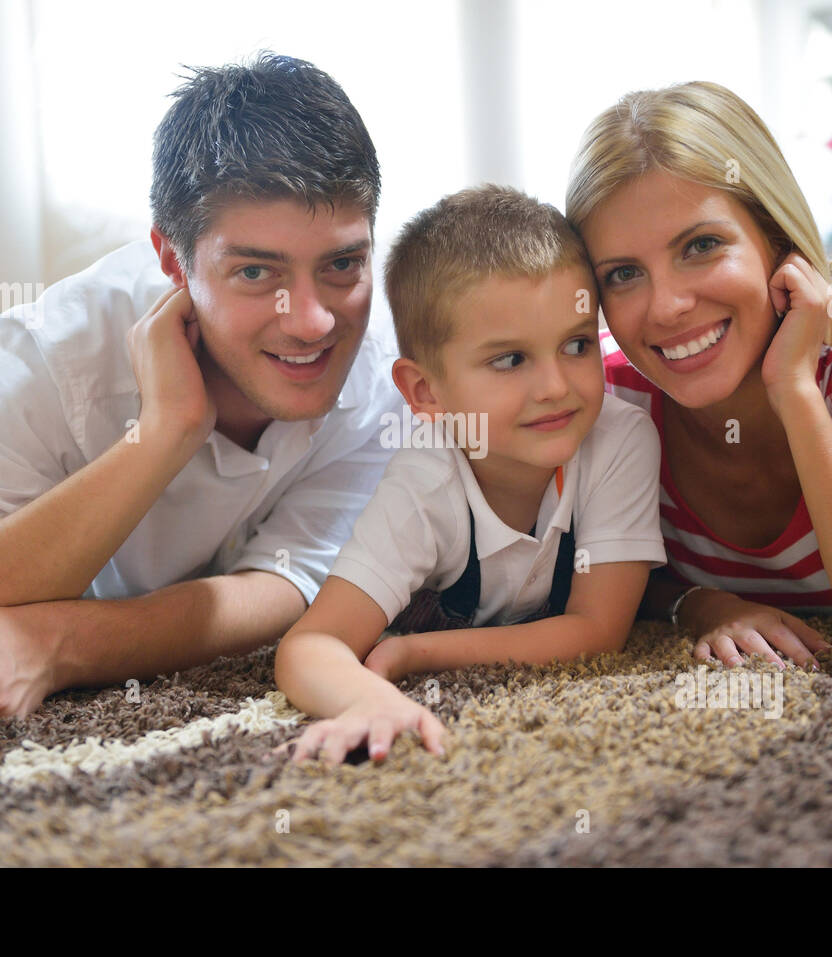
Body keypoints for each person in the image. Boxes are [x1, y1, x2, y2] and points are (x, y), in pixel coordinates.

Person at [0, 54, 402, 732]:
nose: (312, 321)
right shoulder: (56, 352)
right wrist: (162, 434)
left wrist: (55, 643)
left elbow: (283, 586)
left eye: (341, 264)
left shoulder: (384, 365)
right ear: (171, 262)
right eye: (254, 271)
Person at [566, 81, 832, 674]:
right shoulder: (614, 401)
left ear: (777, 239)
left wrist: (795, 391)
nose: (666, 307)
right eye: (622, 274)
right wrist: (702, 604)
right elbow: (586, 583)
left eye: (701, 245)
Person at [275, 186, 667, 764]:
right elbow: (310, 644)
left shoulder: (620, 438)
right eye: (510, 359)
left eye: (577, 344)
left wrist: (417, 655)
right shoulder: (425, 481)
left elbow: (597, 629)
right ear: (425, 392)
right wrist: (368, 700)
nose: (557, 386)